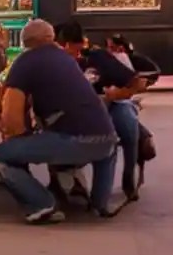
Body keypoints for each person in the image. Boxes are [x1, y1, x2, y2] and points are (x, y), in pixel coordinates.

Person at [0, 19, 119, 224]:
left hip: (72, 140)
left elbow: (11, 116)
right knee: (108, 143)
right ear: (51, 38)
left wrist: (17, 141)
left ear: (25, 42)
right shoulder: (67, 58)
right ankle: (99, 204)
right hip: (106, 139)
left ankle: (42, 204)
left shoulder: (25, 61)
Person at [57, 21, 147, 201]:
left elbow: (138, 82)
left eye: (75, 47)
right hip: (75, 112)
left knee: (127, 121)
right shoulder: (54, 63)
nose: (73, 53)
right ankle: (67, 181)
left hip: (109, 105)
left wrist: (117, 94)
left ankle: (129, 175)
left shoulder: (96, 57)